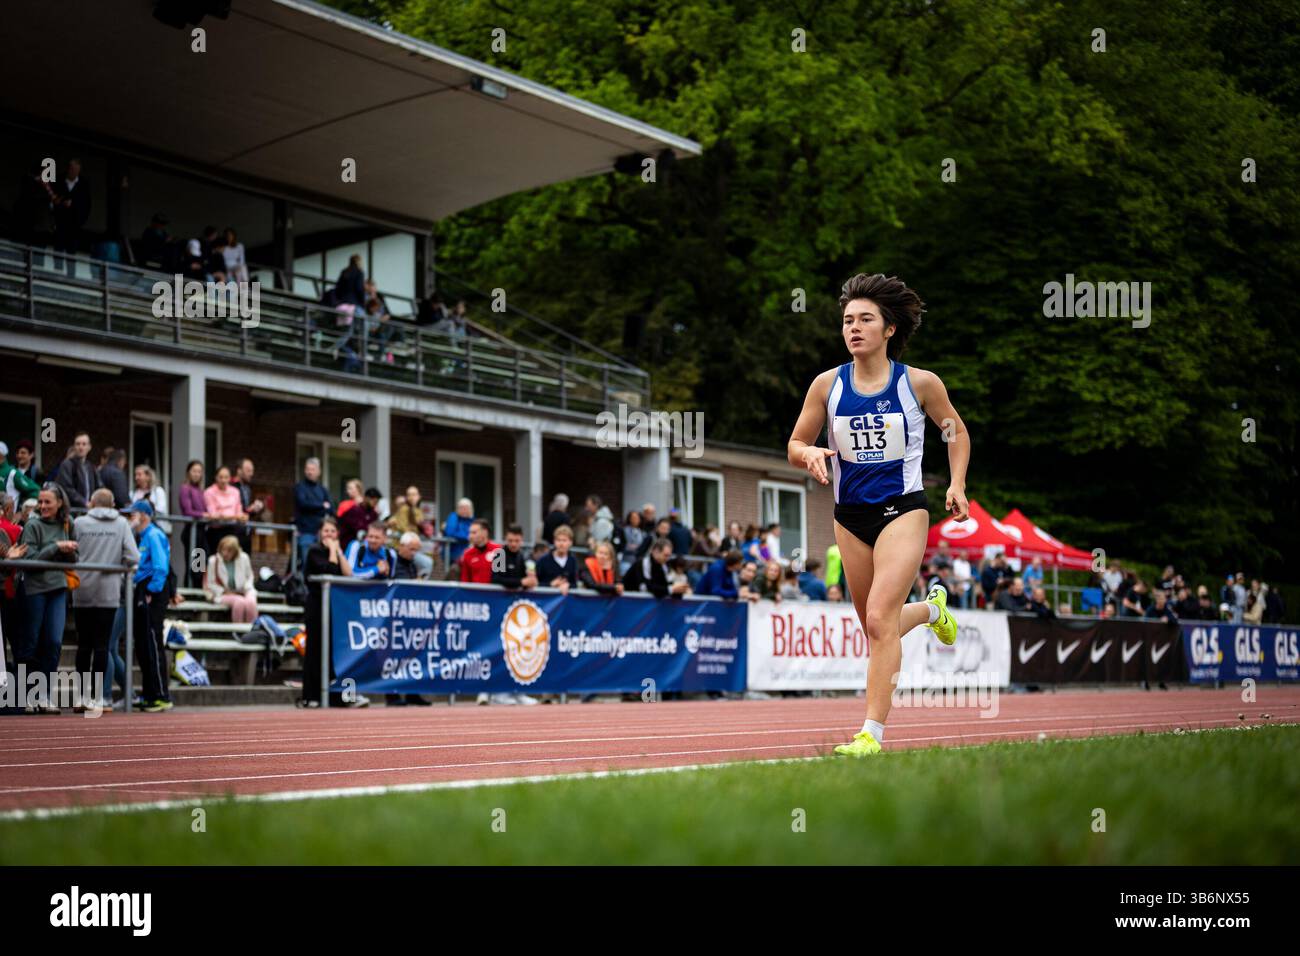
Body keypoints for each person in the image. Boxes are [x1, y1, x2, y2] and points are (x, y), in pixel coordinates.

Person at [787, 273, 968, 757]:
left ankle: (871, 734)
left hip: (903, 510)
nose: (854, 327)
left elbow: (956, 432)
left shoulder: (919, 384)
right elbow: (795, 442)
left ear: (889, 329)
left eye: (866, 319)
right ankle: (933, 610)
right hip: (850, 516)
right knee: (875, 624)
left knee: (879, 618)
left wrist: (956, 482)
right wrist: (808, 454)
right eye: (848, 320)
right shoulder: (827, 386)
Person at [73, 489, 139, 711]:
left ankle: (82, 696)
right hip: (109, 591)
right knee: (102, 646)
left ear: (91, 502)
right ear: (112, 504)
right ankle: (99, 697)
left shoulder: (80, 522)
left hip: (83, 588)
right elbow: (133, 556)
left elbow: (71, 552)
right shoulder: (121, 524)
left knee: (84, 645)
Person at [16, 484, 79, 712]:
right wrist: (56, 546)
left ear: (59, 503)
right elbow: (30, 560)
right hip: (34, 589)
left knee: (53, 642)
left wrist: (68, 550)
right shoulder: (32, 525)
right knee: (30, 642)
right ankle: (27, 696)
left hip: (58, 588)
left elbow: (75, 558)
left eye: (47, 502)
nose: (42, 506)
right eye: (40, 502)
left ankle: (44, 695)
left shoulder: (67, 523)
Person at [300, 517, 365, 708]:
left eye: (332, 532)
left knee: (336, 653)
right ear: (320, 533)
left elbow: (347, 574)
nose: (329, 535)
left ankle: (341, 697)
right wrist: (332, 551)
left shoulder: (337, 551)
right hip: (317, 606)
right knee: (315, 650)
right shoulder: (314, 551)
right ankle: (311, 696)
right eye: (326, 531)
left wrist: (338, 552)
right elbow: (329, 569)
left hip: (335, 607)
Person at [127, 500, 173, 713]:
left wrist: (152, 591)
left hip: (152, 591)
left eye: (132, 515)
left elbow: (161, 567)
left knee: (153, 642)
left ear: (144, 515)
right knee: (144, 644)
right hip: (143, 588)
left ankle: (161, 695)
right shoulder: (143, 536)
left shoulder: (154, 535)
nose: (130, 519)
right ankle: (149, 693)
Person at [204, 535, 258, 623]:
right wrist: (224, 591)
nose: (225, 553)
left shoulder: (244, 558)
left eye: (229, 550)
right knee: (239, 602)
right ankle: (238, 631)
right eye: (223, 549)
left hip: (243, 590)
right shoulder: (213, 561)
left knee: (251, 603)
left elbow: (250, 577)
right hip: (223, 593)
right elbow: (211, 583)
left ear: (235, 551)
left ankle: (253, 632)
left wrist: (245, 588)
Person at [51, 158, 90, 276]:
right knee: (58, 249)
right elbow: (52, 199)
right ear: (68, 169)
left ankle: (71, 276)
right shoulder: (58, 181)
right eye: (72, 170)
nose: (74, 172)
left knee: (71, 251)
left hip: (74, 225)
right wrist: (59, 204)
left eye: (76, 170)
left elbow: (86, 205)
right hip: (59, 223)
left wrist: (74, 206)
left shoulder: (83, 185)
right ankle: (57, 274)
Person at [293, 457, 332, 569]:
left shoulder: (322, 489)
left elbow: (330, 508)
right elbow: (303, 504)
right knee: (306, 563)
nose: (310, 472)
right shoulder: (300, 487)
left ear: (319, 471)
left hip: (321, 533)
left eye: (312, 469)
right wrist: (321, 505)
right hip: (305, 532)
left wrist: (316, 506)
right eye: (307, 469)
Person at [203, 465, 248, 556]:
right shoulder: (209, 492)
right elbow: (214, 514)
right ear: (216, 478)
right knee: (214, 559)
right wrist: (236, 517)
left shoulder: (235, 491)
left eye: (226, 477)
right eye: (221, 477)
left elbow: (239, 510)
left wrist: (243, 517)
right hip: (216, 531)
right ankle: (198, 570)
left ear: (229, 478)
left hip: (232, 531)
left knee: (234, 557)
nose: (223, 480)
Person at [623, 538, 689, 598]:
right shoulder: (643, 563)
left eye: (669, 556)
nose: (667, 559)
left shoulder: (663, 565)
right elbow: (645, 587)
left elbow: (664, 585)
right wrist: (671, 589)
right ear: (656, 551)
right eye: (665, 555)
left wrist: (679, 589)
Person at [177, 459, 207, 586]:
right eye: (194, 471)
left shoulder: (200, 491)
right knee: (194, 565)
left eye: (199, 471)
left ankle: (198, 590)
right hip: (192, 531)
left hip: (201, 532)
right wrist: (204, 515)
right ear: (188, 472)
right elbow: (188, 511)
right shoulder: (185, 488)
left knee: (200, 565)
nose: (196, 474)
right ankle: (191, 592)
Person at [53, 431, 99, 510]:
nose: (81, 447)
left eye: (84, 444)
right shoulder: (67, 465)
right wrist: (84, 502)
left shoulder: (90, 466)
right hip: (72, 510)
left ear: (89, 447)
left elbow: (98, 486)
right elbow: (66, 488)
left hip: (89, 509)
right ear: (74, 447)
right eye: (78, 444)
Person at [492, 524, 537, 590]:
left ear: (522, 539)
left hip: (518, 598)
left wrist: (531, 580)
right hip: (501, 597)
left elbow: (527, 580)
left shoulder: (523, 556)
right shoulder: (499, 555)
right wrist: (520, 582)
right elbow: (495, 579)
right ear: (506, 538)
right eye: (510, 540)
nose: (513, 544)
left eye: (517, 541)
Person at [535, 524, 578, 593]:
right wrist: (550, 584)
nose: (561, 543)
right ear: (554, 541)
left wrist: (568, 585)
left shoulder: (572, 561)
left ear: (570, 542)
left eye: (564, 540)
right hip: (546, 600)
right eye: (558, 540)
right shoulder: (543, 561)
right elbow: (536, 583)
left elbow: (575, 583)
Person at [130, 463, 170, 534]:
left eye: (139, 475)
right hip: (138, 530)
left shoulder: (158, 491)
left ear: (148, 476)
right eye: (135, 475)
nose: (136, 478)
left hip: (155, 528)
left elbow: (161, 509)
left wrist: (144, 509)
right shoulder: (133, 493)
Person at [229, 458, 266, 523]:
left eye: (252, 471)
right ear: (239, 470)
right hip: (233, 525)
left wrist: (254, 509)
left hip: (245, 526)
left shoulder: (247, 488)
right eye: (248, 471)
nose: (251, 474)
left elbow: (247, 512)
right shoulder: (230, 485)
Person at [442, 497, 474, 565]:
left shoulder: (471, 520)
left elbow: (474, 533)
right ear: (458, 509)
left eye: (466, 508)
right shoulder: (454, 517)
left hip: (467, 552)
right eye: (462, 508)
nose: (464, 510)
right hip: (453, 552)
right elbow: (450, 532)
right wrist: (466, 537)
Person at [620, 510, 645, 575]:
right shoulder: (624, 531)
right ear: (629, 519)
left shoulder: (642, 533)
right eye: (633, 518)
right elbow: (623, 546)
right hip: (626, 560)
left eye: (637, 518)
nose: (635, 520)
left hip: (637, 561)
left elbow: (642, 547)